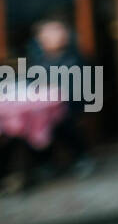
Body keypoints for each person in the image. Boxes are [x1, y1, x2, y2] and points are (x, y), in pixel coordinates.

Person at [26, 16, 95, 180]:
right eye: (48, 32)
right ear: (40, 38)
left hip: (73, 102)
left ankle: (80, 157)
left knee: (61, 118)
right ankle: (44, 162)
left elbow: (84, 87)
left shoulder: (74, 57)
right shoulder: (37, 62)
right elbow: (31, 86)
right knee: (29, 120)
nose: (55, 35)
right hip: (43, 106)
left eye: (58, 30)